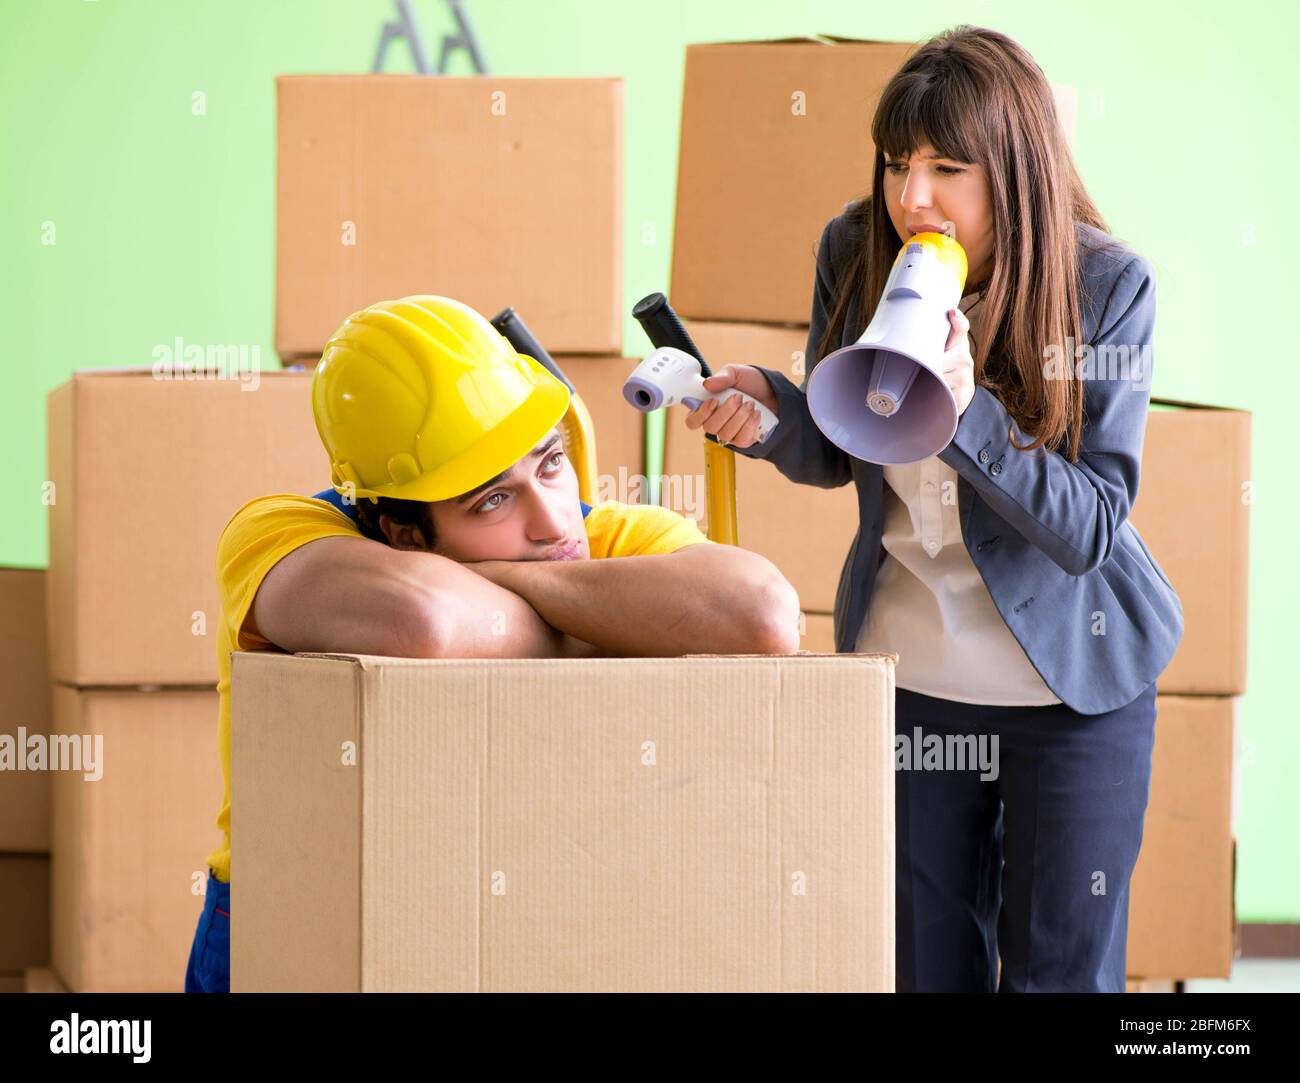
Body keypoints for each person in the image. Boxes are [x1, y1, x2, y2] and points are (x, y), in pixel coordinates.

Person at [684, 25, 1184, 992]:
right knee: (925, 967)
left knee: (1059, 978)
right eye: (896, 163)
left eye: (948, 168)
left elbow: (1089, 525)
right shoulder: (856, 246)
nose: (912, 196)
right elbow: (842, 445)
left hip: (1075, 687)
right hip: (915, 676)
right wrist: (770, 411)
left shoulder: (1106, 287)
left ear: (1018, 174)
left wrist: (964, 414)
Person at [184, 294, 801, 992]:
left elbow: (763, 616)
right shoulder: (276, 534)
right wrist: (604, 624)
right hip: (292, 921)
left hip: (514, 917)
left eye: (549, 464)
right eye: (492, 501)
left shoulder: (606, 533)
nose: (554, 523)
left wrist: (499, 581)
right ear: (403, 533)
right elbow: (424, 623)